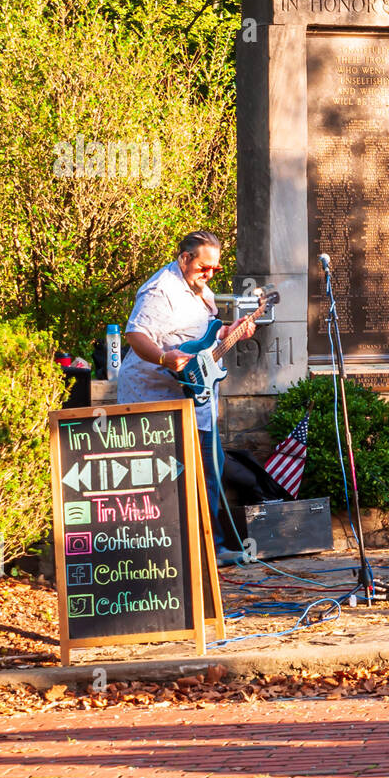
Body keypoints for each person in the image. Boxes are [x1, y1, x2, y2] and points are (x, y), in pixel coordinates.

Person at [116, 231, 255, 558]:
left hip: (198, 400)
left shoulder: (201, 290)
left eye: (215, 270)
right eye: (204, 267)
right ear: (184, 259)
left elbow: (206, 335)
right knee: (161, 481)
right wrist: (165, 358)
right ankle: (158, 556)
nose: (209, 275)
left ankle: (211, 551)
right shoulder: (159, 291)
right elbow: (136, 334)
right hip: (155, 400)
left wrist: (232, 331)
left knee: (211, 470)